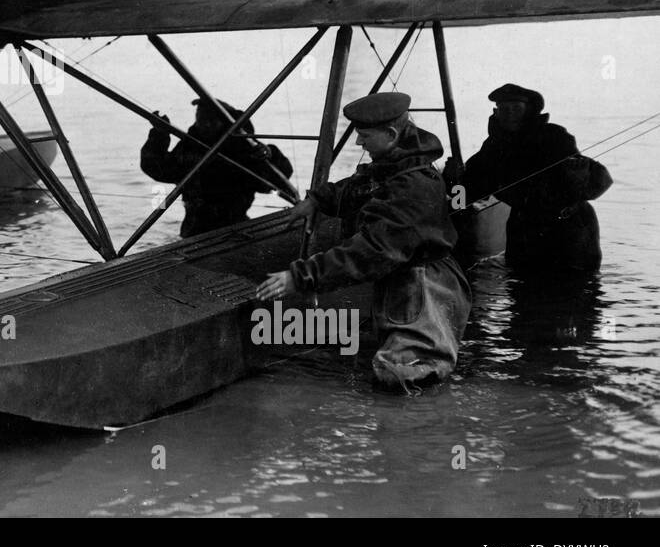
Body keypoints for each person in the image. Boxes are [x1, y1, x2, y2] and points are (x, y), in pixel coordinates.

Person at [255, 92, 471, 391]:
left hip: (422, 287)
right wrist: (318, 200)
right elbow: (360, 187)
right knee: (399, 374)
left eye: (364, 135)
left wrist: (302, 277)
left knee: (405, 375)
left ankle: (413, 434)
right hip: (406, 279)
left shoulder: (412, 185)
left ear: (391, 134)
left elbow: (371, 250)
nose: (359, 143)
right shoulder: (396, 165)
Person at [460, 83, 605, 272]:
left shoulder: (555, 136)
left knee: (577, 291)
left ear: (528, 110)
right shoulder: (493, 146)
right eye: (504, 109)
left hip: (569, 230)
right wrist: (453, 178)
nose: (510, 113)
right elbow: (468, 190)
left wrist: (579, 175)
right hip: (524, 231)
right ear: (496, 112)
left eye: (516, 108)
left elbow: (600, 180)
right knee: (523, 294)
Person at [141, 98, 294, 237]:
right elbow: (158, 168)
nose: (204, 123)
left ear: (225, 122)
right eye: (200, 117)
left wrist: (270, 154)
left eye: (210, 119)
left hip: (235, 228)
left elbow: (277, 181)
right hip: (194, 230)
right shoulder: (190, 146)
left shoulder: (244, 148)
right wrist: (159, 134)